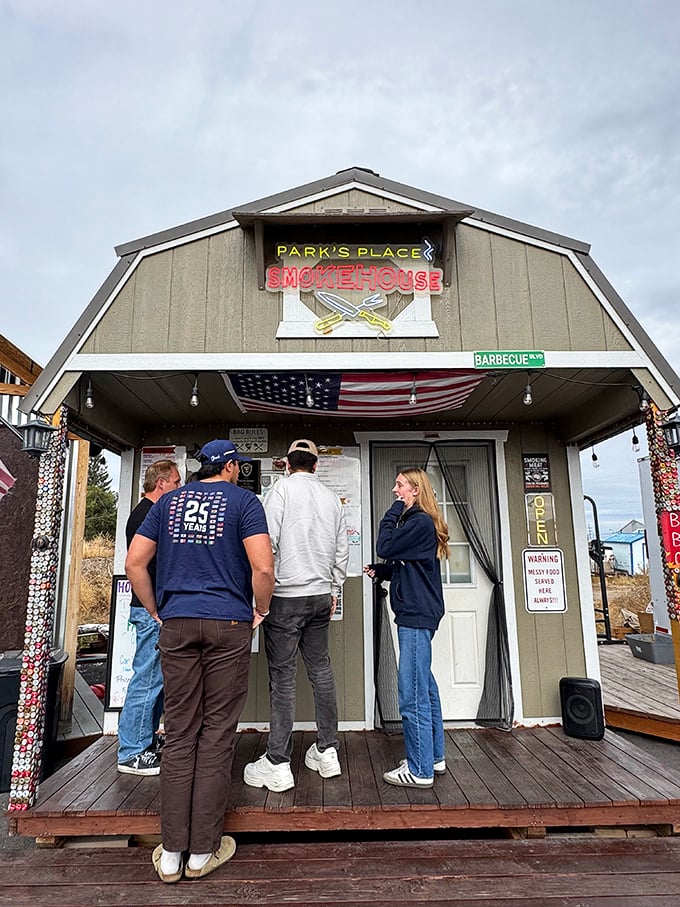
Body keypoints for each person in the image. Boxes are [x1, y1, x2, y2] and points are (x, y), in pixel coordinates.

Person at [125, 439, 274, 883]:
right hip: (228, 623)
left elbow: (135, 562)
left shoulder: (166, 502)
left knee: (180, 730)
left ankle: (171, 854)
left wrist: (155, 610)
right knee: (216, 734)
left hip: (177, 624)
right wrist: (261, 610)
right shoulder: (245, 502)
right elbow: (263, 570)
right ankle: (202, 853)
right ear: (229, 466)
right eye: (237, 466)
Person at [243, 439, 349, 792]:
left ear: (287, 464)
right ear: (317, 466)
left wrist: (261, 598)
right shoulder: (332, 498)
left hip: (285, 597)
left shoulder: (280, 491)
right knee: (322, 671)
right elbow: (341, 550)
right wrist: (333, 590)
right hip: (320, 596)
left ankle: (277, 761)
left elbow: (266, 545)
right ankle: (327, 750)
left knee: (283, 678)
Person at [364, 467, 449, 789]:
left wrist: (393, 511)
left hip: (415, 616)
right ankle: (433, 757)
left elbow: (385, 544)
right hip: (419, 611)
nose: (394, 489)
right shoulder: (419, 524)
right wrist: (384, 571)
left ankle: (419, 770)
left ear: (415, 490)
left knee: (412, 694)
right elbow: (411, 565)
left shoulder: (418, 522)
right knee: (425, 686)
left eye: (399, 485)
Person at [117, 458, 181, 776]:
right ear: (162, 484)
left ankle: (147, 740)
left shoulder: (146, 512)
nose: (179, 488)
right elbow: (136, 565)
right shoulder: (147, 514)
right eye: (177, 483)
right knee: (147, 679)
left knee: (156, 681)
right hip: (149, 611)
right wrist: (153, 609)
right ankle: (132, 751)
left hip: (152, 610)